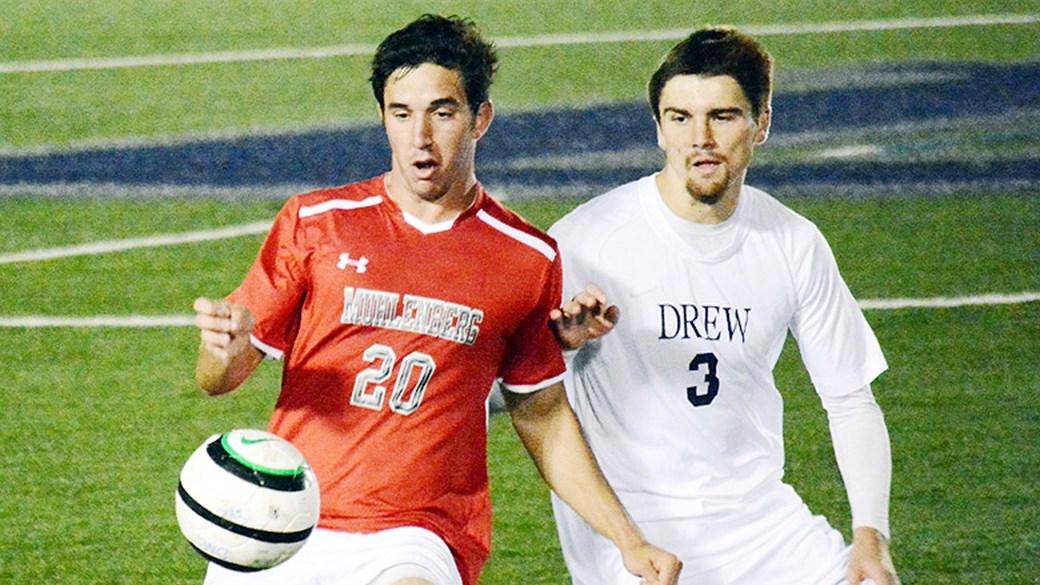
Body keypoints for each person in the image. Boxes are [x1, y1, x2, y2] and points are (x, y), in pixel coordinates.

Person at [191, 13, 680, 585]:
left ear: (480, 119)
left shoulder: (526, 257)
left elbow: (542, 415)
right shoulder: (316, 223)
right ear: (383, 118)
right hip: (290, 516)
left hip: (419, 534)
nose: (419, 137)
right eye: (401, 114)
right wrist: (221, 351)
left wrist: (629, 540)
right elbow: (217, 380)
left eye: (441, 113)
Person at [547, 28, 899, 585]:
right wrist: (559, 346)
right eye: (680, 118)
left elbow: (850, 400)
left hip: (766, 528)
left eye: (723, 116)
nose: (700, 138)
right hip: (633, 537)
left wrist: (870, 540)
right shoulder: (586, 241)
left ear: (762, 124)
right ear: (658, 129)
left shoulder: (792, 241)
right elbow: (501, 397)